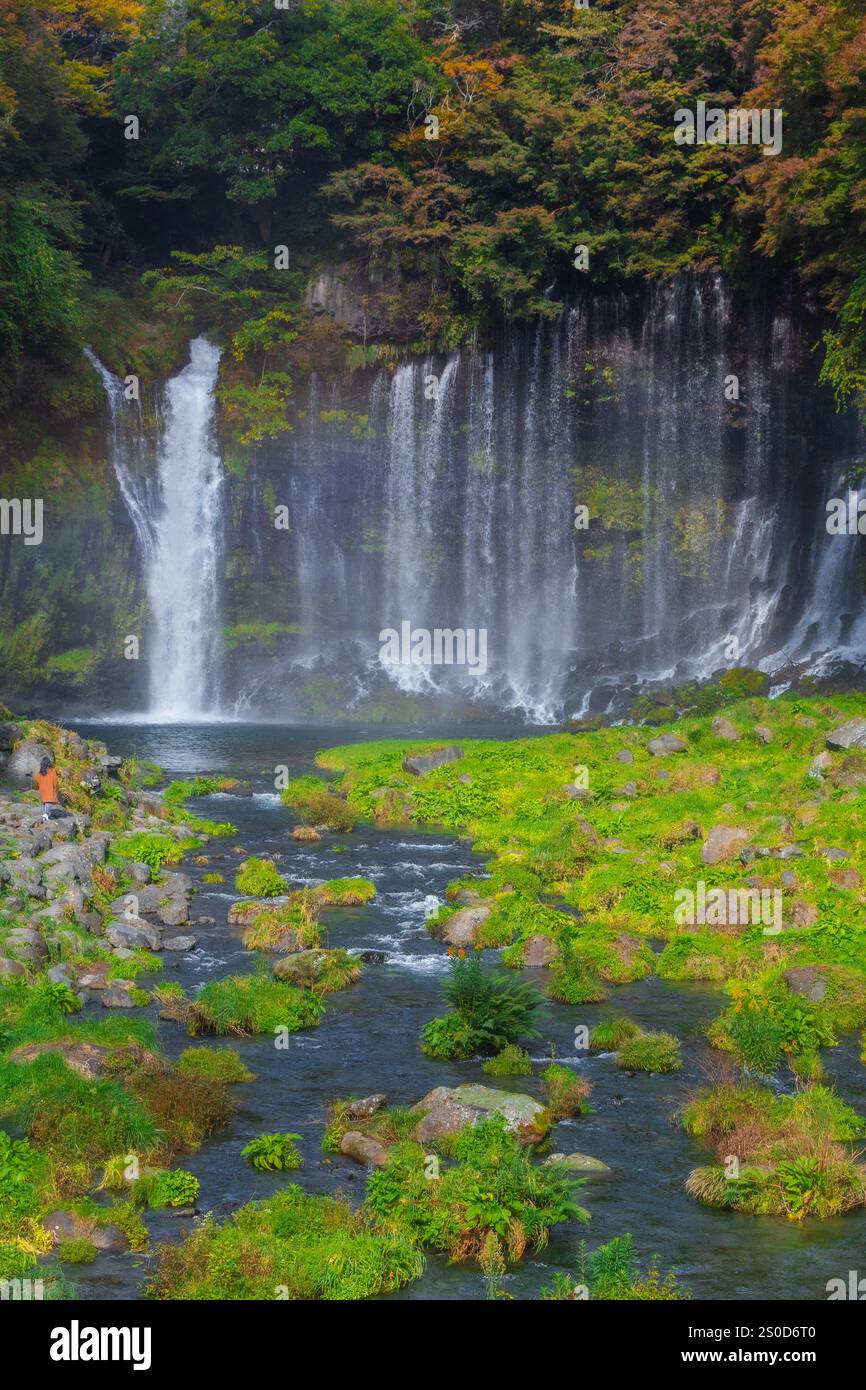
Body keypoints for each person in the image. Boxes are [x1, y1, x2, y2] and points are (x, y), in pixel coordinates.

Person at [34, 755, 61, 821]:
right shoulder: (52, 771)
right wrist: (56, 787)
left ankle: (45, 815)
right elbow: (55, 781)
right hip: (50, 789)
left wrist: (39, 784)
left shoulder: (41, 772)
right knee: (49, 802)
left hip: (43, 789)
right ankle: (45, 814)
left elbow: (36, 778)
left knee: (45, 802)